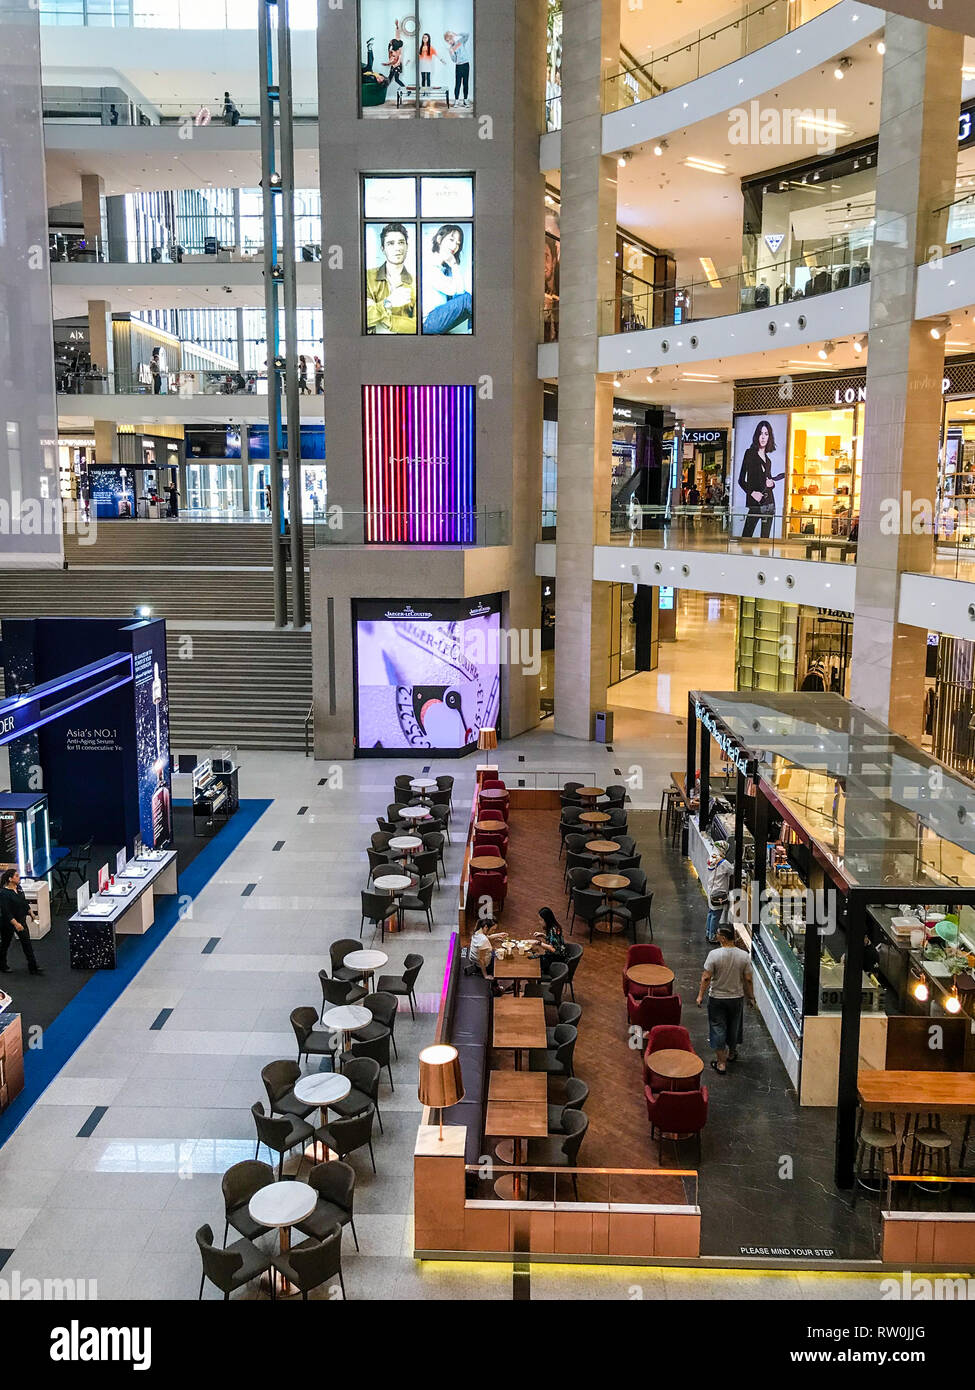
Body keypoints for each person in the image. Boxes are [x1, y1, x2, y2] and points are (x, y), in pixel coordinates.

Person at [696, 926, 754, 1075]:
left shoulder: (714, 955)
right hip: (736, 998)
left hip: (717, 998)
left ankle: (721, 1063)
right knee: (734, 1025)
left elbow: (706, 977)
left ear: (722, 937)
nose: (716, 936)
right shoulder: (744, 956)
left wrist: (700, 995)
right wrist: (751, 997)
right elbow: (748, 979)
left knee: (717, 1027)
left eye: (717, 934)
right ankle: (732, 1053)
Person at [365, 222, 416, 334]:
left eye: (401, 242)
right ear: (383, 249)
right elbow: (361, 318)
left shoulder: (416, 282)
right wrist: (389, 303)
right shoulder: (367, 277)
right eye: (390, 243)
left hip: (405, 345)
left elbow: (417, 326)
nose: (397, 248)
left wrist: (385, 318)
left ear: (407, 247)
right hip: (372, 346)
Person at [737, 418, 784, 540]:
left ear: (769, 437)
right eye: (761, 433)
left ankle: (764, 558)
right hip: (755, 504)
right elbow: (741, 480)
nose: (763, 437)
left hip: (769, 504)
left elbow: (767, 480)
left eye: (766, 434)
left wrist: (772, 483)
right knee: (746, 537)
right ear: (757, 435)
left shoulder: (768, 460)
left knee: (765, 541)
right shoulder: (750, 453)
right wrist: (752, 493)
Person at [422, 224, 472, 335]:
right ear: (439, 239)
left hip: (437, 318)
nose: (454, 246)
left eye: (458, 243)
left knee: (469, 300)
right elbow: (456, 292)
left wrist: (452, 266)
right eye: (451, 240)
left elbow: (459, 293)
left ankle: (474, 332)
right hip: (427, 322)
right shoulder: (428, 264)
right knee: (467, 299)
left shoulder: (445, 269)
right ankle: (479, 332)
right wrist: (454, 265)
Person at [0, 869, 43, 976]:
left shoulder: (19, 888)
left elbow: (23, 902)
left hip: (21, 920)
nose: (19, 877)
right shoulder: (4, 894)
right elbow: (6, 911)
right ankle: (2, 965)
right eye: (16, 876)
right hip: (8, 923)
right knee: (5, 944)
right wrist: (15, 923)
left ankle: (33, 966)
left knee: (27, 943)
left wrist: (31, 913)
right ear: (10, 879)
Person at [468, 918, 507, 992]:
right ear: (486, 927)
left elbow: (487, 937)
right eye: (492, 930)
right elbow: (481, 959)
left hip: (473, 959)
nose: (493, 931)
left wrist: (498, 935)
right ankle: (496, 987)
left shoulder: (477, 931)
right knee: (500, 959)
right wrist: (485, 975)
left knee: (496, 953)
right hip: (481, 965)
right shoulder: (483, 940)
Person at [705, 843, 733, 943]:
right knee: (716, 915)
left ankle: (708, 932)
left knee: (711, 912)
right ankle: (712, 936)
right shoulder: (723, 862)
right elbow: (732, 871)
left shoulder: (712, 858)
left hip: (711, 889)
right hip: (719, 891)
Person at [532, 906, 568, 973]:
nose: (539, 922)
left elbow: (553, 949)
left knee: (533, 963)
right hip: (557, 956)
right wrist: (543, 935)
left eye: (541, 920)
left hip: (556, 961)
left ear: (546, 920)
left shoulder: (553, 930)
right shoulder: (555, 927)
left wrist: (539, 943)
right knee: (532, 957)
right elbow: (553, 941)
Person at [445, 28, 472, 105]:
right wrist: (452, 53)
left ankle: (465, 100)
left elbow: (467, 35)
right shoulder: (451, 49)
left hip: (466, 65)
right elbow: (454, 60)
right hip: (458, 66)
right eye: (447, 41)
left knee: (465, 83)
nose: (449, 41)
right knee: (458, 84)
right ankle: (456, 100)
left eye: (450, 39)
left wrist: (457, 34)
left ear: (452, 37)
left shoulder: (460, 41)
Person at [382, 22, 406, 90]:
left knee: (395, 79)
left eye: (391, 41)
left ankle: (405, 89)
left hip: (396, 66)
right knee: (391, 79)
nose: (391, 40)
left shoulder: (393, 52)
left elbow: (392, 61)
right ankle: (383, 88)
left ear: (393, 44)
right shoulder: (398, 48)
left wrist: (387, 64)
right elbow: (398, 36)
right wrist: (397, 26)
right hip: (396, 66)